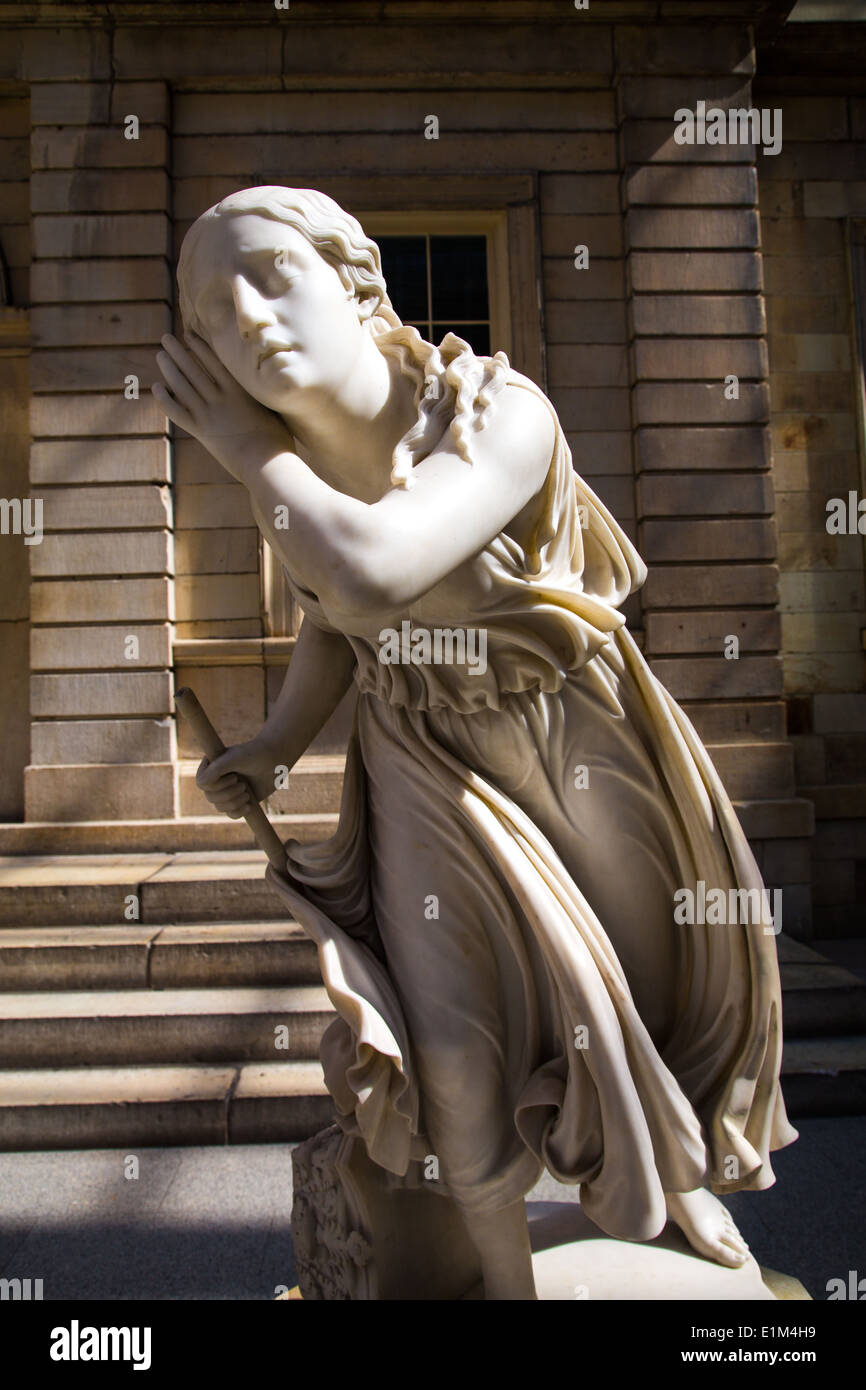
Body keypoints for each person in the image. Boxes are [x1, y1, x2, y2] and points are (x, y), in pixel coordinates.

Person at [153, 186, 797, 1300]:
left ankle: (677, 1177)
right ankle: (504, 1282)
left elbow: (374, 568)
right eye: (214, 311)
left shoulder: (501, 414)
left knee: (647, 988)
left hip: (573, 729)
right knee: (449, 1037)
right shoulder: (301, 478)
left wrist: (243, 450)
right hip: (422, 754)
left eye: (270, 276)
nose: (246, 319)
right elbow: (332, 610)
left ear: (356, 285)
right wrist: (277, 740)